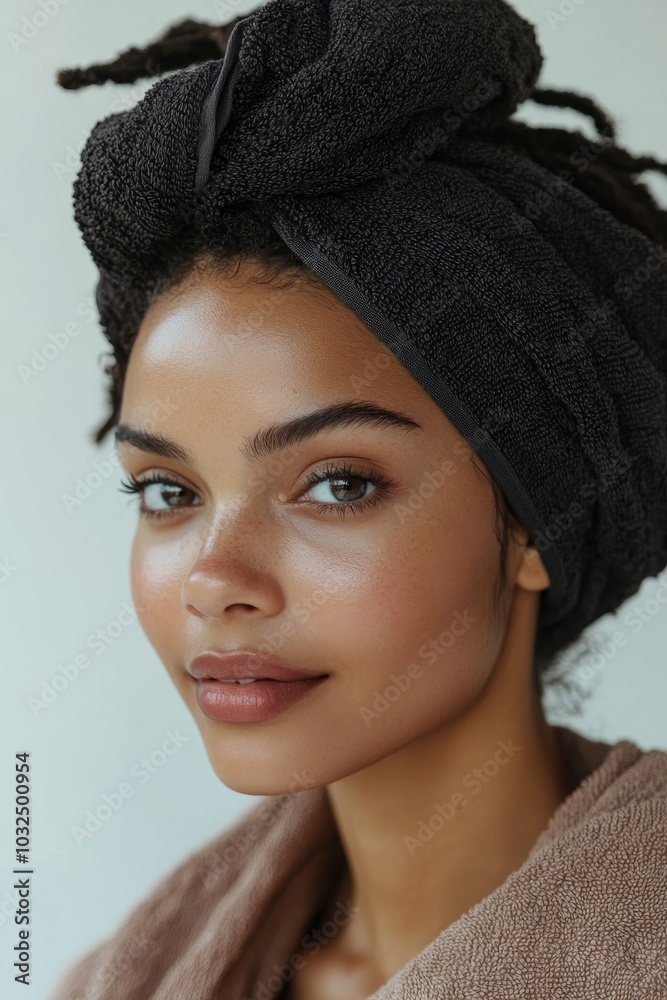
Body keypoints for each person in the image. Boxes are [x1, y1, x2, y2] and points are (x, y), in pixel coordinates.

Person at [51, 0, 667, 997]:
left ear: (536, 525)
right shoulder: (119, 980)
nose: (214, 579)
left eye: (337, 485)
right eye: (168, 489)